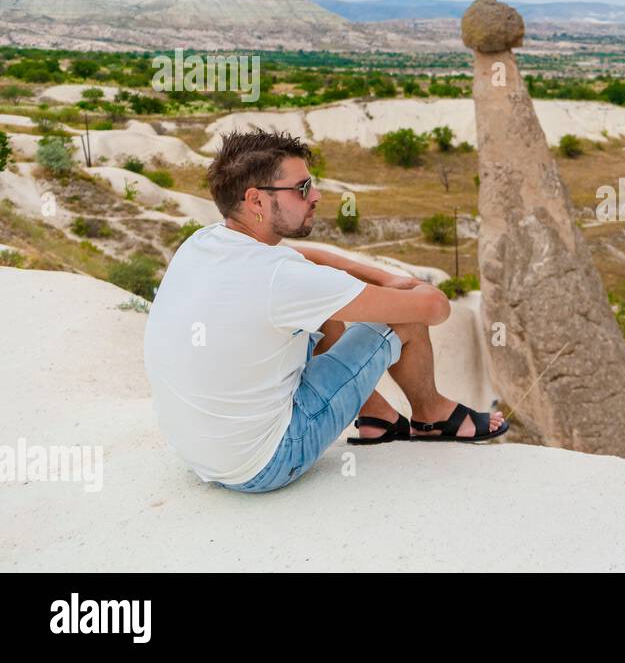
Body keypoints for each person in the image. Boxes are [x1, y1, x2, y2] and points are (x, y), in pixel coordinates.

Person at [143, 128, 505, 493]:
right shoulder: (282, 279)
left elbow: (305, 258)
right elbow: (433, 309)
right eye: (302, 188)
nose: (315, 196)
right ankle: (432, 415)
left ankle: (377, 416)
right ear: (255, 201)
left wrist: (381, 276)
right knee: (405, 319)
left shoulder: (204, 241)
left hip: (202, 454)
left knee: (324, 313)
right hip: (268, 462)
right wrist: (409, 286)